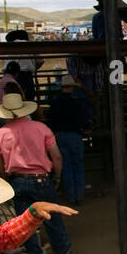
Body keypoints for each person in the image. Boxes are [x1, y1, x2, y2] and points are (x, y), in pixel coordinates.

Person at [0, 91, 76, 254]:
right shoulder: (41, 128)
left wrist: (7, 179)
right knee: (53, 220)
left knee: (25, 223)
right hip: (41, 179)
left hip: (17, 180)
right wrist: (57, 176)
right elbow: (56, 157)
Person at [47, 74, 93, 205]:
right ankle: (79, 196)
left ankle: (71, 196)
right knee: (78, 165)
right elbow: (85, 119)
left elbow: (51, 121)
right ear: (72, 87)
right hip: (75, 135)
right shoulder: (77, 102)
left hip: (61, 136)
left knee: (66, 166)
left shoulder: (55, 102)